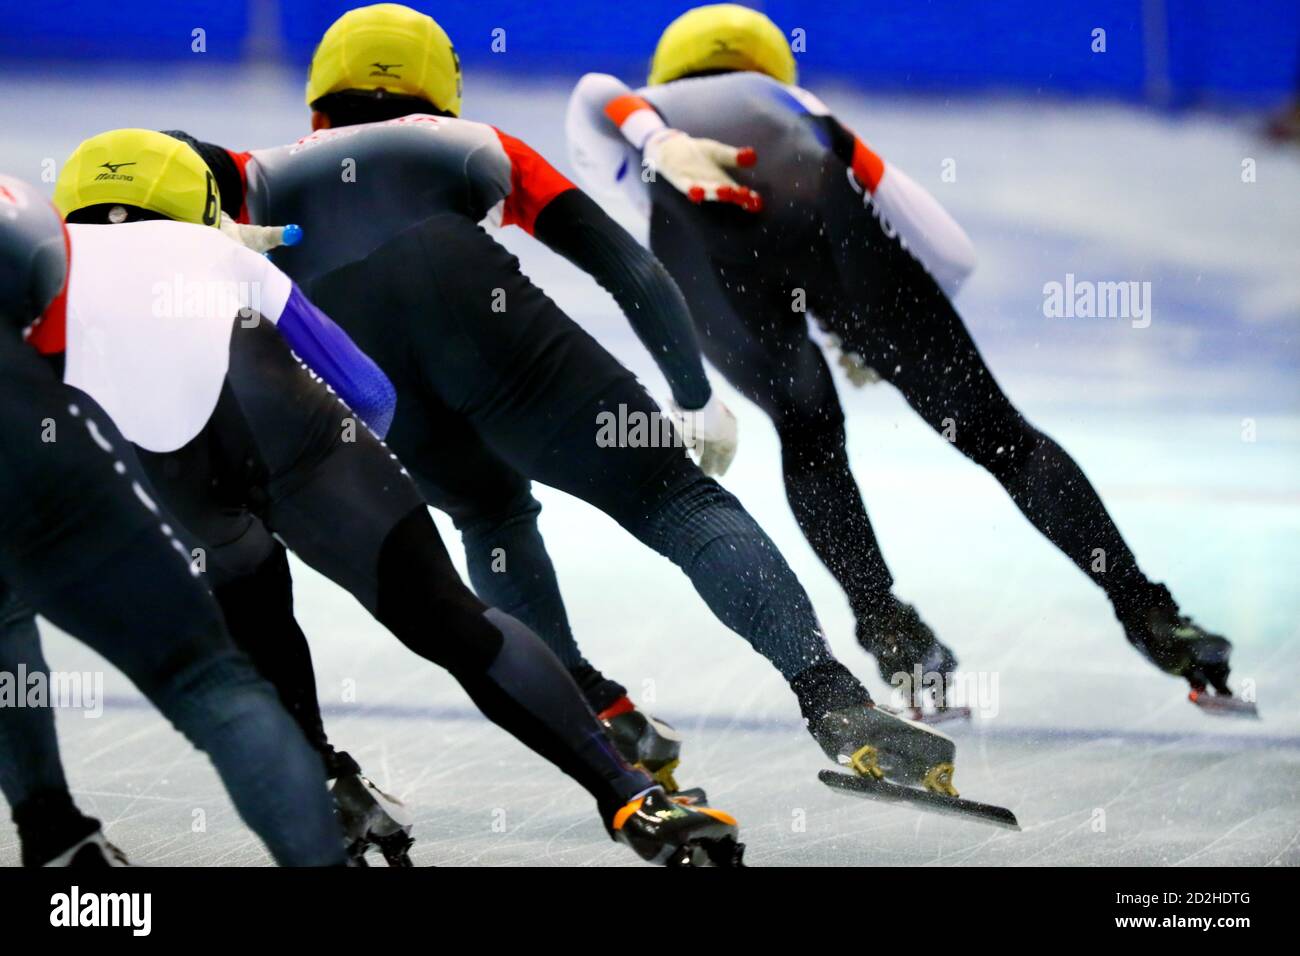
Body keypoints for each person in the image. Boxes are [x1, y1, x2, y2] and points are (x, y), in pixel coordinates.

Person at [165, 3, 963, 802]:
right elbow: (626, 267)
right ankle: (835, 703)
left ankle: (592, 709)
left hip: (353, 350)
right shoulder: (474, 143)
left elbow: (130, 173)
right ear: (445, 91)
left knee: (489, 518)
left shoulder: (247, 173)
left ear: (316, 101)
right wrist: (692, 394)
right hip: (474, 310)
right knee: (675, 499)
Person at [10, 128, 745, 867]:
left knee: (246, 608)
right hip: (303, 444)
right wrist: (343, 481)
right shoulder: (224, 255)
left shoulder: (43, 277)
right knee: (454, 620)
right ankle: (628, 796)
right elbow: (366, 388)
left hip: (157, 480)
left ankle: (323, 784)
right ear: (198, 204)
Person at [564, 3, 1238, 707]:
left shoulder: (634, 120)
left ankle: (890, 630)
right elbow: (951, 250)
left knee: (809, 433)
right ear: (770, 67)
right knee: (999, 434)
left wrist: (656, 138)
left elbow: (591, 92)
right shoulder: (799, 104)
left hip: (707, 265)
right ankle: (1150, 612)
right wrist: (891, 327)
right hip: (844, 235)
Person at [0, 172, 346, 867]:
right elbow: (53, 318)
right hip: (27, 427)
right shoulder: (18, 206)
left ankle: (54, 830)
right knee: (210, 682)